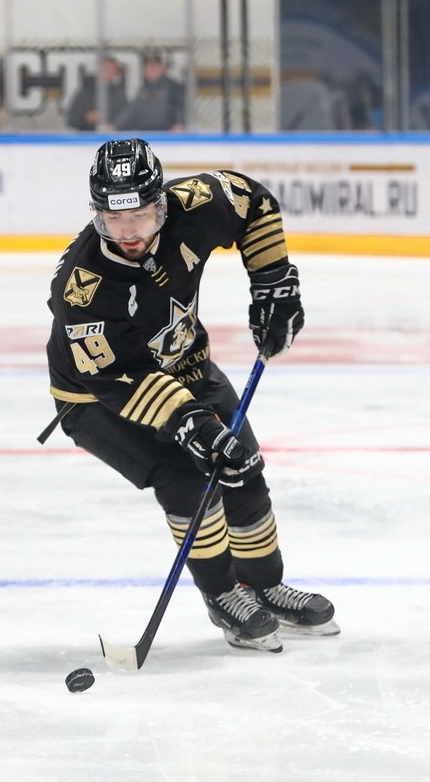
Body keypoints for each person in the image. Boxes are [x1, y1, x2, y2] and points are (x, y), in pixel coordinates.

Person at [45, 138, 338, 653]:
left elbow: (253, 202)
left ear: (161, 204)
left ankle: (264, 586)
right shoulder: (82, 285)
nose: (129, 232)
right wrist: (192, 424)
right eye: (115, 219)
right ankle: (222, 595)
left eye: (139, 215)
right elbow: (117, 377)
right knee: (186, 479)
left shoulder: (195, 204)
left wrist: (274, 284)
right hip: (96, 398)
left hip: (187, 365)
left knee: (242, 465)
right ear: (97, 214)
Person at [114, 51, 187, 132]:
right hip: (145, 132)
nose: (150, 69)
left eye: (154, 66)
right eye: (147, 67)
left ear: (162, 68)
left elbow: (181, 107)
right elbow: (132, 109)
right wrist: (116, 126)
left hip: (167, 132)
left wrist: (179, 123)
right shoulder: (143, 89)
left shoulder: (174, 87)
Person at [66, 57, 128, 132]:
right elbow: (71, 120)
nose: (109, 73)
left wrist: (112, 123)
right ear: (98, 70)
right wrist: (87, 118)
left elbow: (127, 119)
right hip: (88, 136)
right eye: (106, 69)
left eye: (113, 70)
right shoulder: (85, 93)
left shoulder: (120, 95)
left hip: (113, 137)